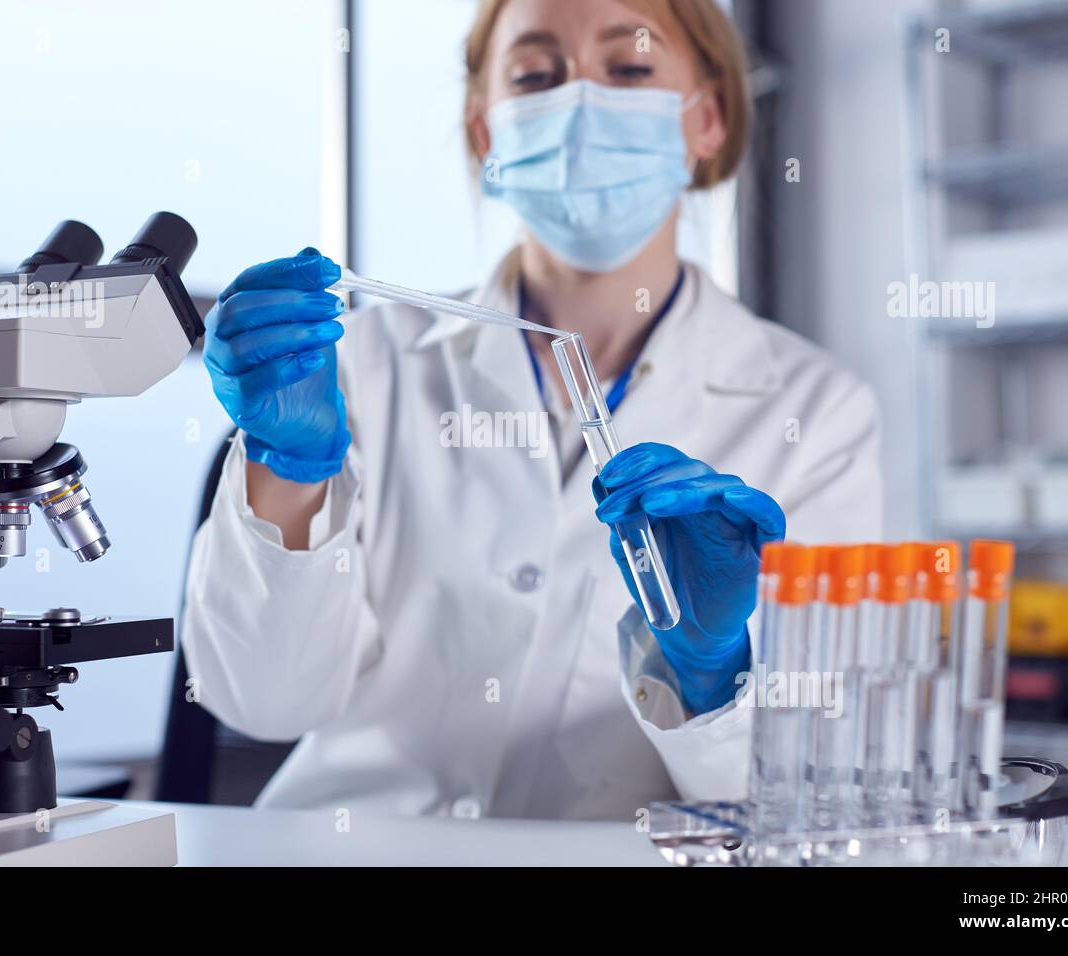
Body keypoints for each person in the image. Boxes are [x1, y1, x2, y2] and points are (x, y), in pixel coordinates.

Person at [182, 0, 881, 820]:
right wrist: (285, 468)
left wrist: (711, 675)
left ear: (709, 120)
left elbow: (807, 793)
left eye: (629, 68)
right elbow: (261, 704)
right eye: (536, 76)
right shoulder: (368, 364)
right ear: (487, 135)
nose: (580, 104)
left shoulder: (816, 412)